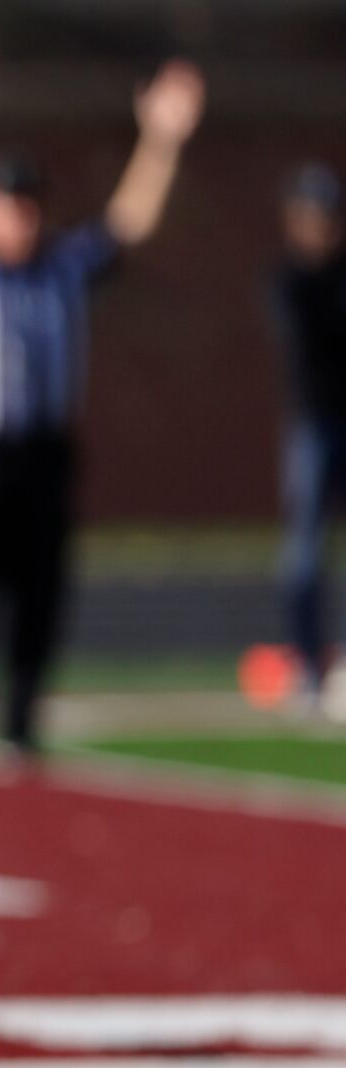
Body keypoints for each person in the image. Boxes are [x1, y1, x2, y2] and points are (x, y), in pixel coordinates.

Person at [0, 58, 205, 757]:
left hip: (47, 448)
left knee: (41, 585)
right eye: (5, 203)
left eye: (28, 203)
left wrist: (161, 140)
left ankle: (21, 716)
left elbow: (129, 223)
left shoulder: (63, 266)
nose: (19, 217)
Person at [271, 161, 346, 716]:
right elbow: (307, 345)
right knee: (303, 552)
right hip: (314, 425)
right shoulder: (288, 280)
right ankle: (306, 665)